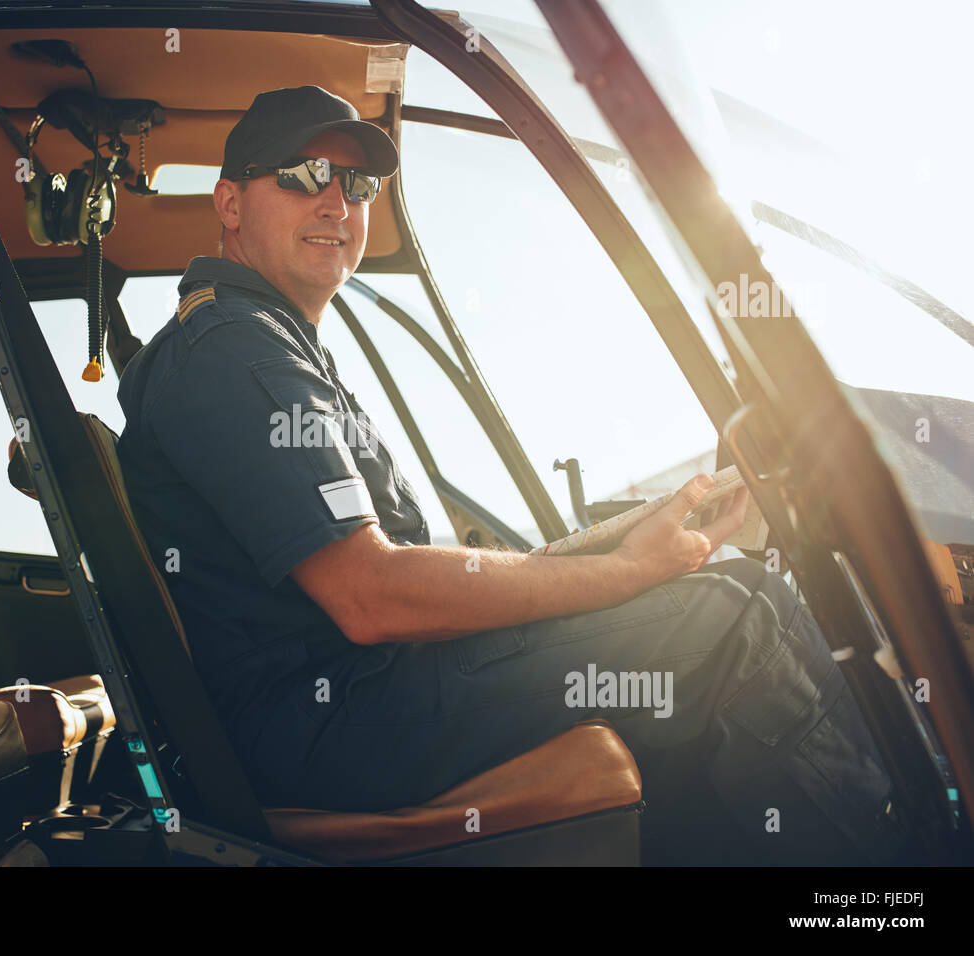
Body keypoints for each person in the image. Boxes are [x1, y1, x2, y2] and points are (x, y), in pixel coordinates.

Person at [115, 85, 910, 865]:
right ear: (228, 201)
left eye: (357, 184)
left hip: (354, 702)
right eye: (304, 175)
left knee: (721, 594)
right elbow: (372, 595)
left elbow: (402, 581)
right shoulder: (234, 349)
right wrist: (625, 573)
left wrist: (623, 544)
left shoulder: (269, 343)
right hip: (332, 726)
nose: (337, 202)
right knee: (741, 616)